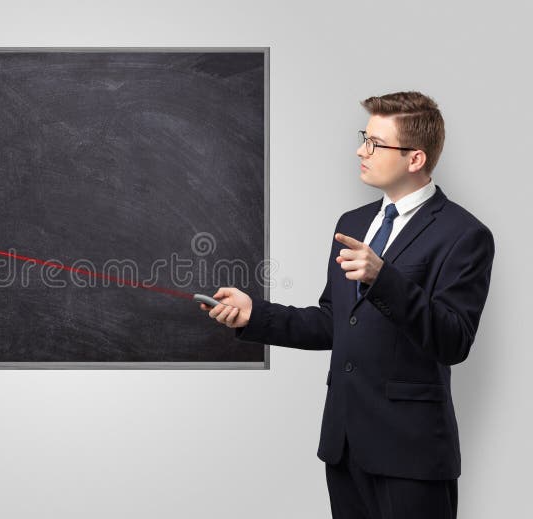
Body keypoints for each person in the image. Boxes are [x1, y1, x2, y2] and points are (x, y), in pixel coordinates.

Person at [201, 91, 495, 519]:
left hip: (410, 454)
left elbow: (453, 341)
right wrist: (255, 315)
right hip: (344, 446)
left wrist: (384, 278)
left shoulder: (464, 234)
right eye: (364, 137)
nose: (361, 150)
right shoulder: (353, 223)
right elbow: (333, 323)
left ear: (415, 159)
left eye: (375, 143)